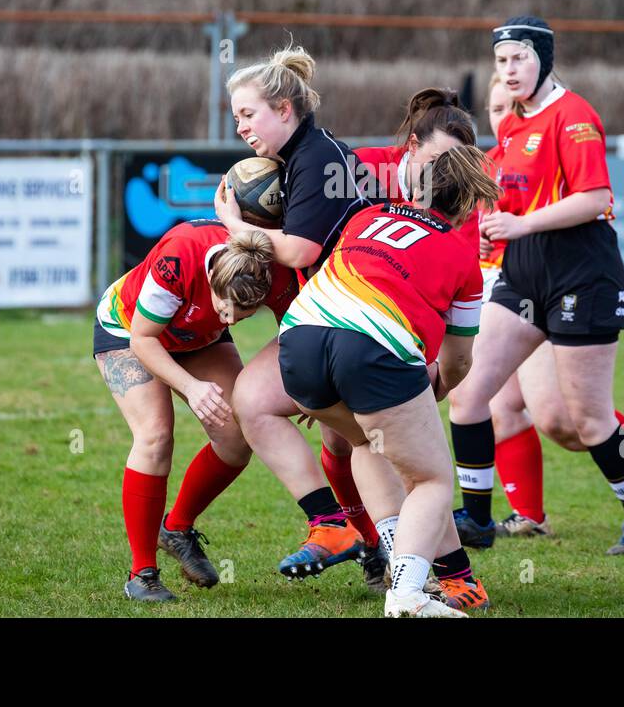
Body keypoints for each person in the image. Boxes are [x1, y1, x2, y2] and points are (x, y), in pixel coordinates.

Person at [447, 17, 624, 556]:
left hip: (582, 274)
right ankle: (476, 520)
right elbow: (514, 205)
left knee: (586, 419)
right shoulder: (513, 128)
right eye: (501, 61)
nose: (510, 69)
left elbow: (594, 200)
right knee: (470, 395)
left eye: (520, 57)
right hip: (524, 273)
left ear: (544, 59)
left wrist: (521, 224)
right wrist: (493, 233)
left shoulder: (573, 116)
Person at [278, 145, 501, 616]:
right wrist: (428, 392)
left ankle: (402, 562)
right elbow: (458, 362)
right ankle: (407, 595)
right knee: (434, 479)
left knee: (366, 443)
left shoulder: (368, 216)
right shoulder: (462, 260)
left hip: (297, 346)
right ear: (467, 203)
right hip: (369, 350)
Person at [213, 44, 377, 582]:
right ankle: (348, 533)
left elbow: (302, 251)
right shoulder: (299, 157)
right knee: (331, 435)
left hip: (358, 323)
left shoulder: (318, 158)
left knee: (362, 441)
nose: (239, 127)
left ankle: (423, 554)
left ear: (285, 110)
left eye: (247, 113)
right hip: (328, 319)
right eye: (235, 116)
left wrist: (235, 226)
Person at [94, 219, 297, 602]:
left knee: (238, 436)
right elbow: (143, 338)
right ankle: (142, 574)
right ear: (213, 282)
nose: (233, 319)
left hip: (197, 336)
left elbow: (298, 330)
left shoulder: (271, 269)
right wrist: (190, 386)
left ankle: (178, 528)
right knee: (155, 435)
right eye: (227, 308)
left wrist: (307, 387)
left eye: (245, 314)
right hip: (131, 330)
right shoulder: (180, 258)